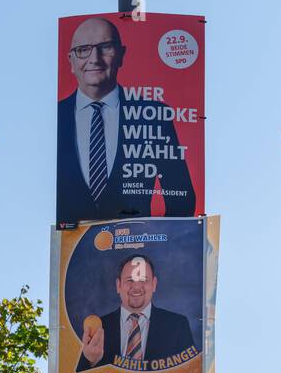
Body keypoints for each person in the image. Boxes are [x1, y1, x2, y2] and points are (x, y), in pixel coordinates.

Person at [57, 16, 196, 225]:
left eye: (105, 47)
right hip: (72, 253)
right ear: (71, 60)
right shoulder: (57, 118)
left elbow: (182, 199)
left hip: (141, 251)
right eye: (83, 49)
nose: (94, 58)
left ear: (121, 54)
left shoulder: (154, 117)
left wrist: (156, 244)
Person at [76, 254, 196, 372]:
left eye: (143, 280)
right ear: (118, 285)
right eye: (130, 280)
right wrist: (91, 361)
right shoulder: (99, 327)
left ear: (154, 284)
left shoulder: (178, 325)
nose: (137, 287)